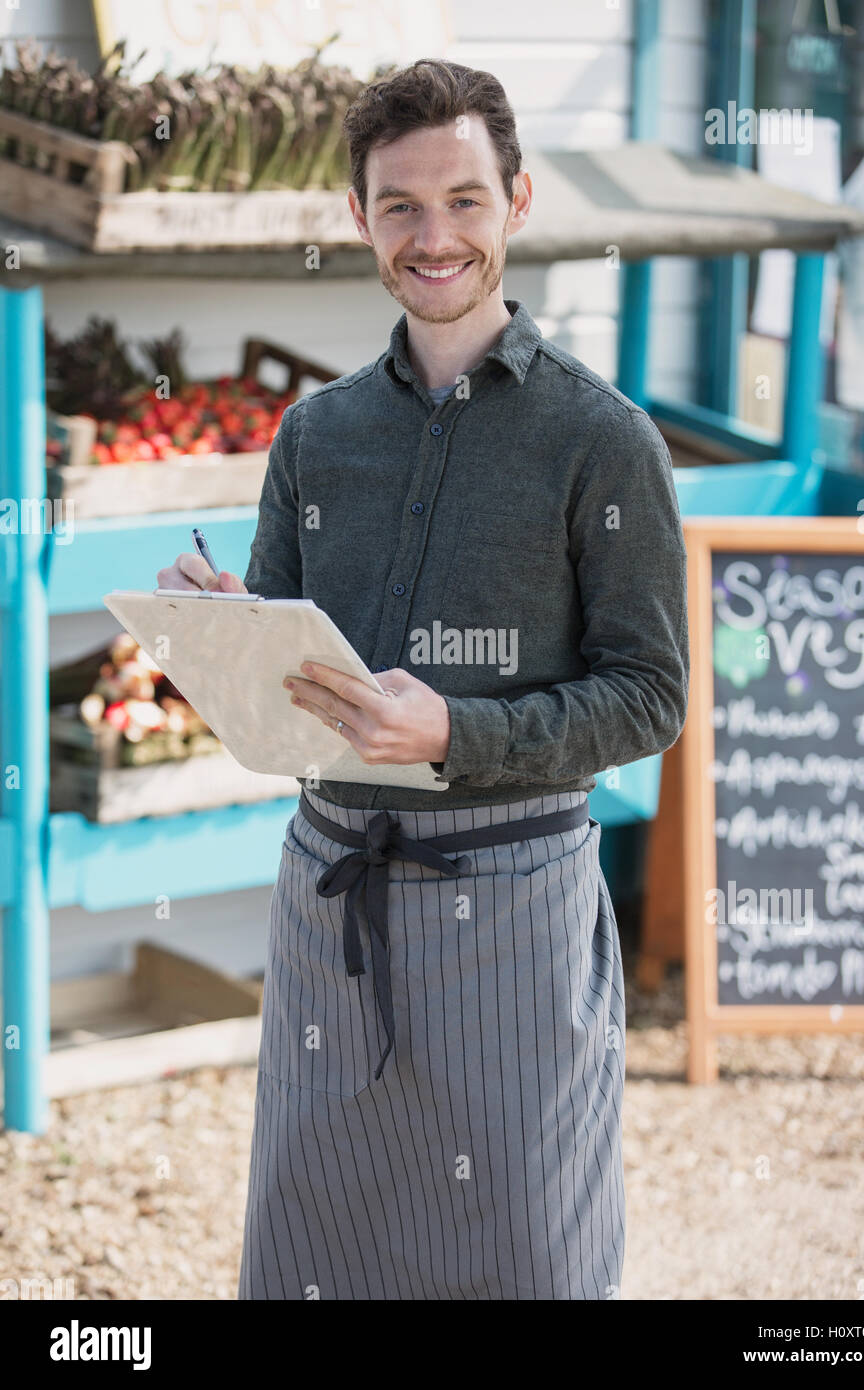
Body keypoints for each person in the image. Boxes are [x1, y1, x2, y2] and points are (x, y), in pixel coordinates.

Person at [158, 58, 689, 1300]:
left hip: (509, 911)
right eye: (399, 204)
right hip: (329, 897)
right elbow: (287, 695)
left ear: (517, 200)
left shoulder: (601, 440)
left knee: (520, 1258)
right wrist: (227, 649)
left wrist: (456, 729)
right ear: (358, 217)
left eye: (462, 198)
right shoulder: (316, 434)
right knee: (313, 1254)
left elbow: (651, 695)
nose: (432, 233)